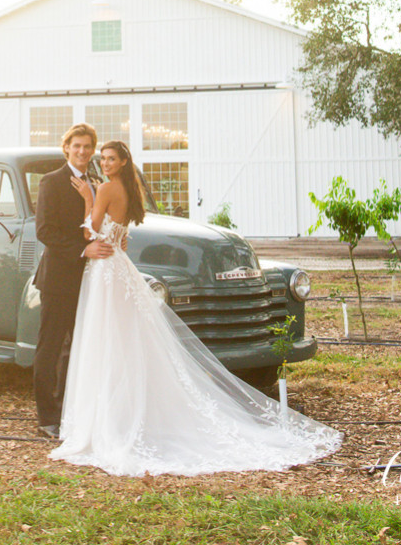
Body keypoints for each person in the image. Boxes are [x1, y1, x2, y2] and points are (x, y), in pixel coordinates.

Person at [49, 140, 342, 476]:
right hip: (121, 266)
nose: (105, 162)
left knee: (108, 340)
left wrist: (88, 198)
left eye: (110, 158)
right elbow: (121, 235)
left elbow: (90, 230)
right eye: (104, 158)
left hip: (105, 269)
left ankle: (114, 418)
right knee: (126, 340)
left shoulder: (103, 190)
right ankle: (131, 409)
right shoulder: (128, 191)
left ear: (122, 161)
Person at [32, 123, 114, 439]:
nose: (82, 152)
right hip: (58, 279)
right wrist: (84, 249)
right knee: (51, 348)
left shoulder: (94, 184)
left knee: (79, 348)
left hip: (90, 280)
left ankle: (71, 412)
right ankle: (47, 418)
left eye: (87, 147)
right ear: (66, 147)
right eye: (76, 146)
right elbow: (45, 231)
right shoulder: (51, 182)